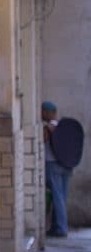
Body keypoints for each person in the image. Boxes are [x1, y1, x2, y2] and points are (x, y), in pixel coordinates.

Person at [43, 101, 72, 238]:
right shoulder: (65, 126)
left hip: (52, 164)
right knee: (61, 197)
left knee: (57, 197)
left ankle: (61, 228)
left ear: (49, 112)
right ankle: (57, 226)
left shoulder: (51, 126)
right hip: (67, 165)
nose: (41, 114)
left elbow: (44, 138)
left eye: (43, 111)